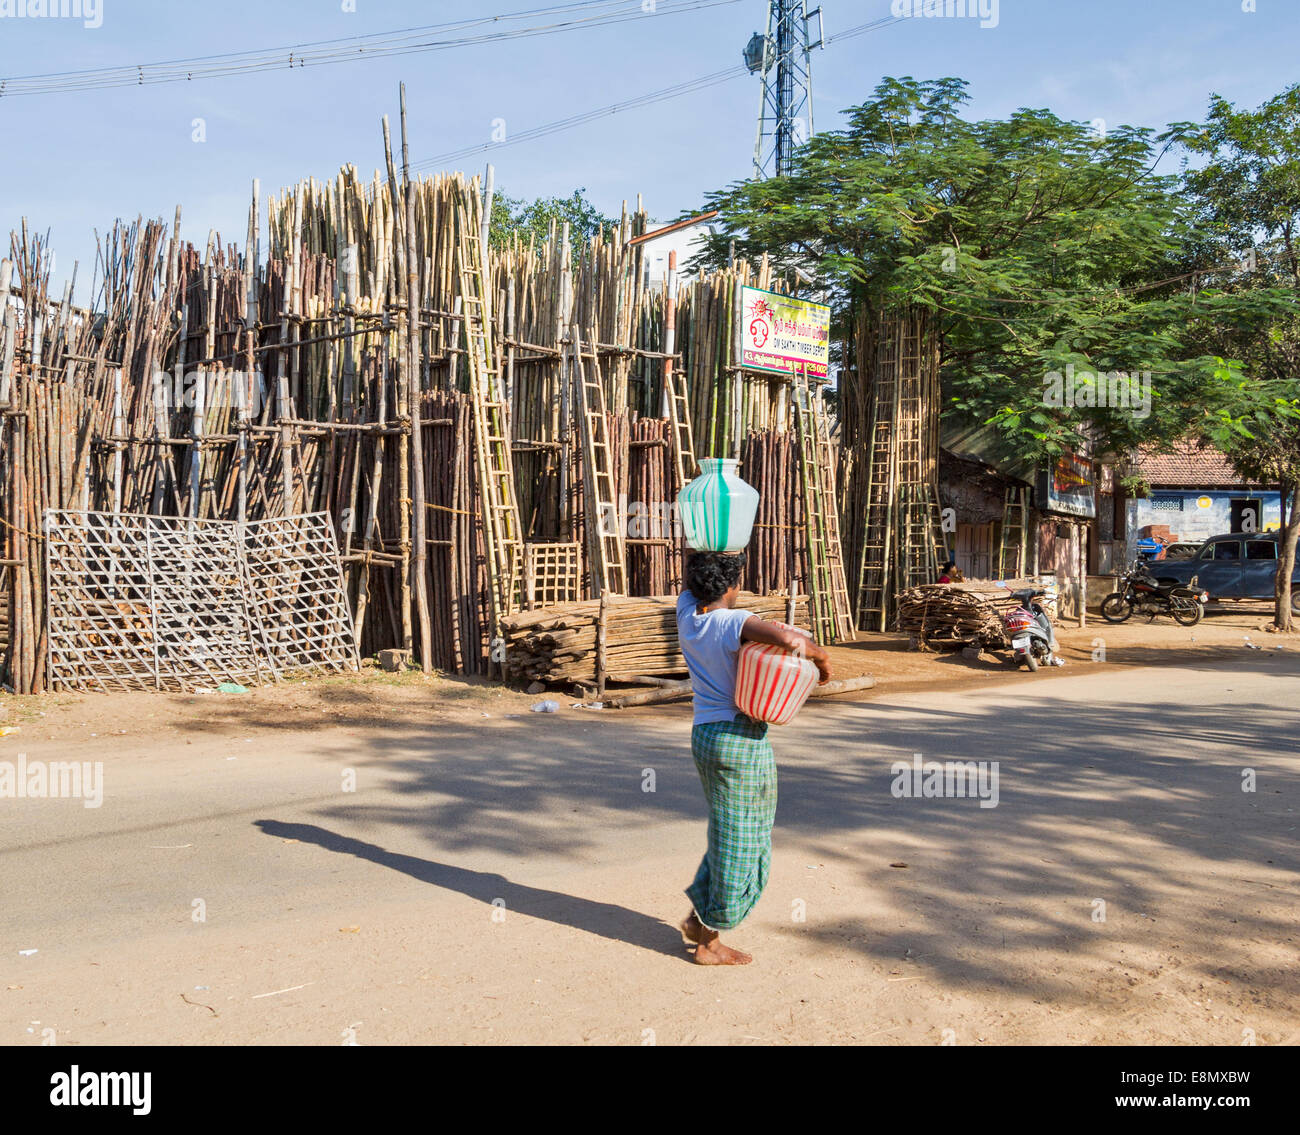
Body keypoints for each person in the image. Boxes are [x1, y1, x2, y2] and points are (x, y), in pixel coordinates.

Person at [675, 550, 832, 965]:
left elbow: (695, 586)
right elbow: (791, 640)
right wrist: (821, 657)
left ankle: (698, 919)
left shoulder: (687, 613)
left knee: (727, 829)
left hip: (705, 733)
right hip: (738, 738)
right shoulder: (730, 623)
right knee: (741, 841)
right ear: (732, 587)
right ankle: (709, 941)